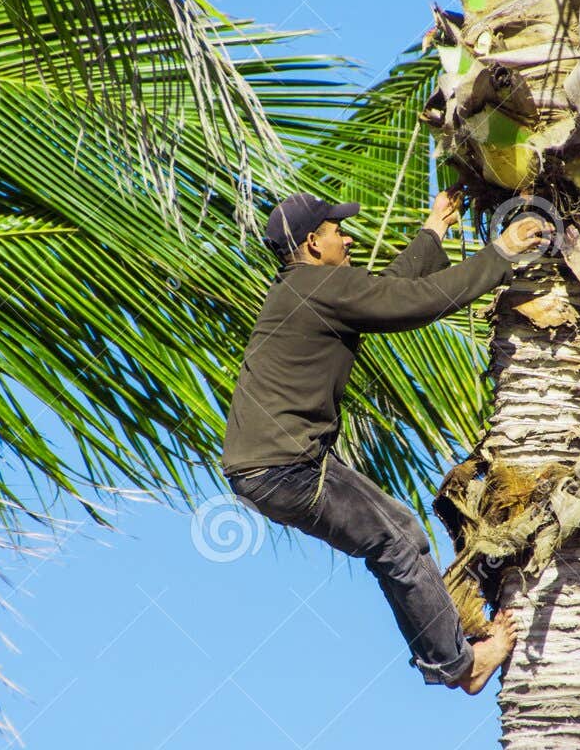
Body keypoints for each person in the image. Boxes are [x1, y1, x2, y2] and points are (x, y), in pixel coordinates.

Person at [221, 187, 548, 694]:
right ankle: (458, 666)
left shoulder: (310, 287)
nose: (346, 237)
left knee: (397, 535)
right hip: (286, 468)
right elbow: (412, 303)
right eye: (336, 231)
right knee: (396, 541)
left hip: (277, 467)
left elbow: (386, 291)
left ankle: (450, 659)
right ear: (312, 244)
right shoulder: (317, 287)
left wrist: (433, 232)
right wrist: (501, 254)